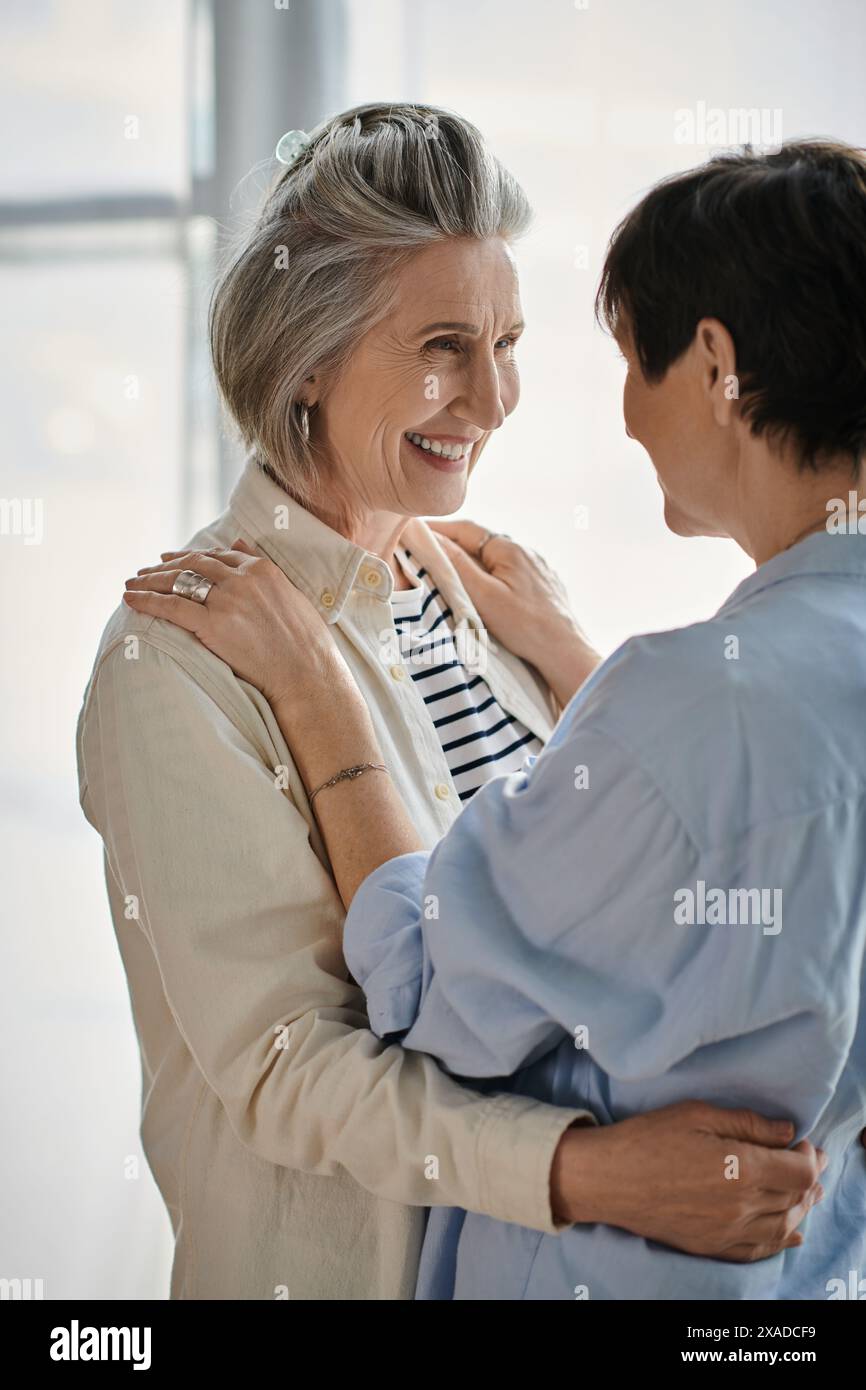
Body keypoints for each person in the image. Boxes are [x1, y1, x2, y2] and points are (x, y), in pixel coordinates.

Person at [123, 138, 866, 1299]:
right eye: (442, 347)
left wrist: (571, 668)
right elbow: (283, 1068)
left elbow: (551, 928)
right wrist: (582, 1173)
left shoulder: (511, 609)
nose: (493, 400)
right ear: (306, 363)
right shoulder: (175, 660)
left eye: (506, 344)